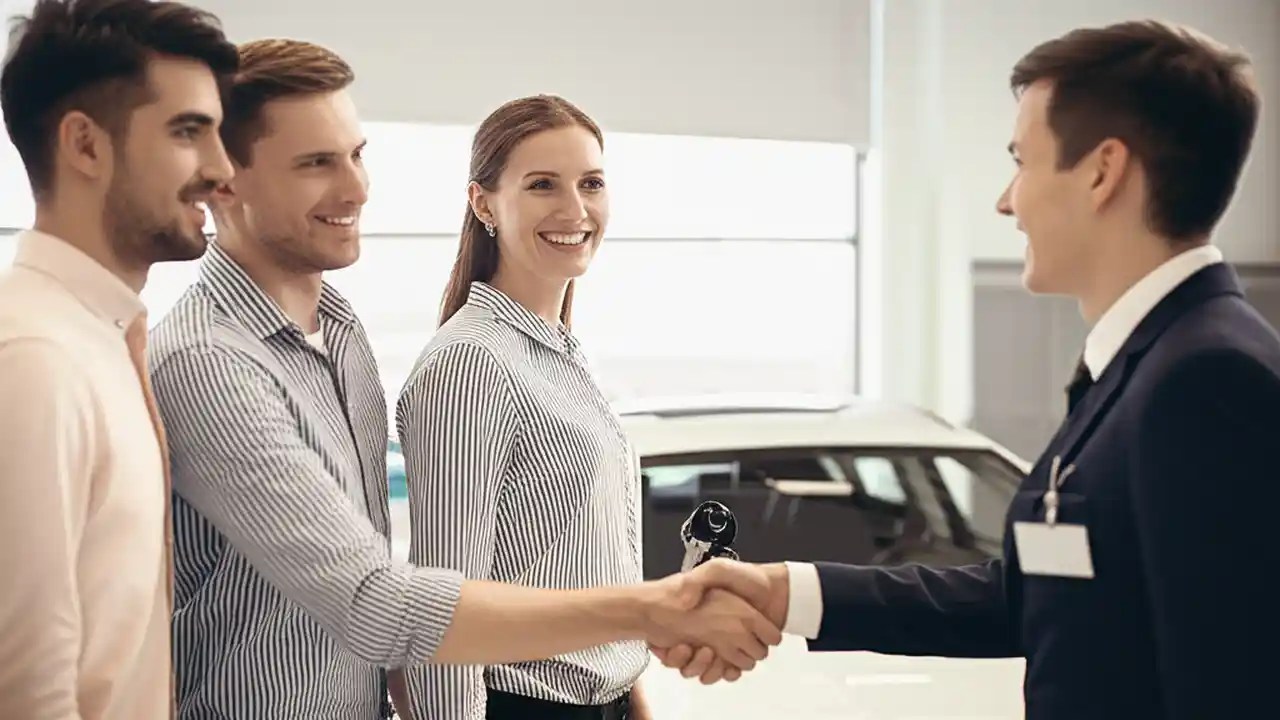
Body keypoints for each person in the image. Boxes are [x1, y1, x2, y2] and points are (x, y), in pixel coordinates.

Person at [656, 19, 1279, 720]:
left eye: (1022, 160)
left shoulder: (1206, 379)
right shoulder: (1151, 363)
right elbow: (1031, 598)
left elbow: (1236, 687)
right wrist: (786, 591)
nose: (1006, 200)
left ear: (1103, 172)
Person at [147, 38, 779, 720]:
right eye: (316, 164)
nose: (357, 189)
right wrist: (656, 611)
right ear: (222, 179)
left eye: (357, 156)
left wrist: (625, 680)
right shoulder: (208, 362)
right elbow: (384, 600)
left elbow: (394, 608)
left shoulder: (343, 335)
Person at [0, 0, 236, 716]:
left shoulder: (100, 338)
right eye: (189, 132)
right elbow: (27, 691)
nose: (222, 170)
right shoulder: (36, 359)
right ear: (85, 145)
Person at [395, 95, 651, 720]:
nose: (575, 210)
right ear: (484, 203)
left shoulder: (558, 352)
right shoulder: (471, 364)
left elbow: (593, 559)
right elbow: (445, 605)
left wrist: (631, 695)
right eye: (542, 185)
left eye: (591, 183)